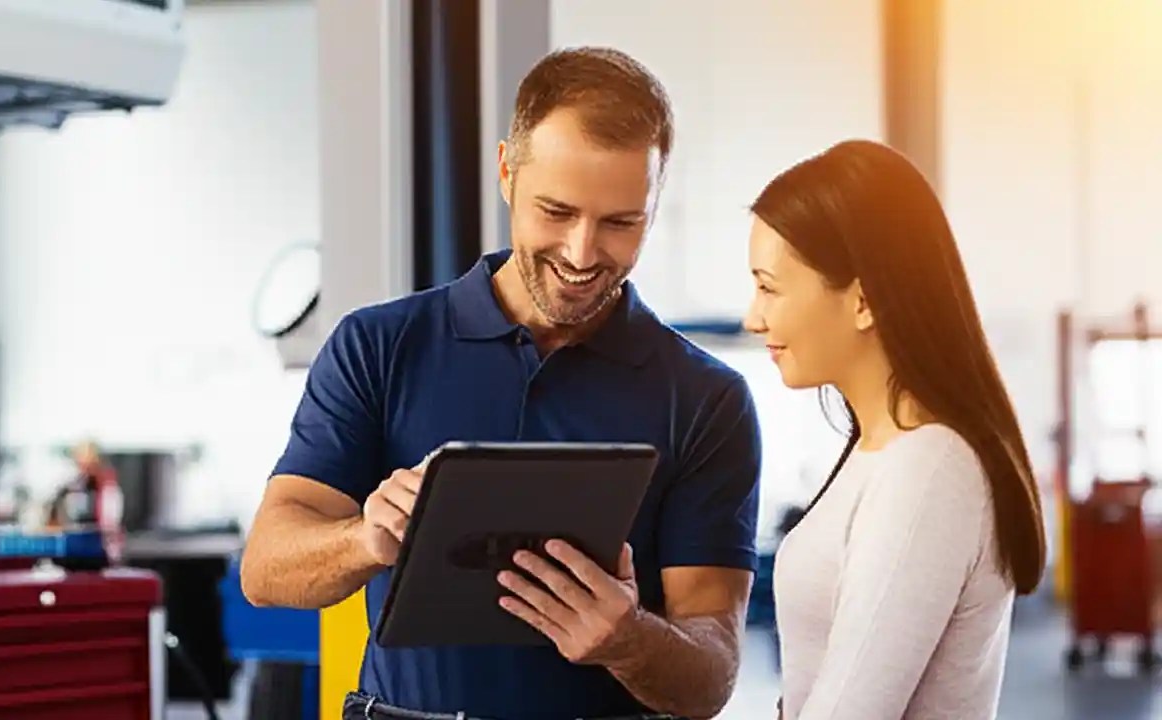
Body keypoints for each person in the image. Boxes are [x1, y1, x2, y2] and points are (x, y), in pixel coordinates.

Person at [241, 46, 762, 720]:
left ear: (654, 206)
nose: (581, 253)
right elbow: (266, 568)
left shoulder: (705, 399)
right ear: (506, 173)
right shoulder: (378, 346)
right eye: (557, 211)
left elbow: (710, 676)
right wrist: (366, 537)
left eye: (620, 223)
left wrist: (628, 641)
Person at [741, 139, 1046, 720]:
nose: (752, 317)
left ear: (864, 299)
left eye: (769, 287)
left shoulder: (927, 469)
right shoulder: (880, 452)